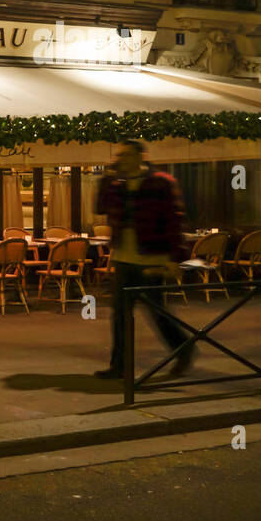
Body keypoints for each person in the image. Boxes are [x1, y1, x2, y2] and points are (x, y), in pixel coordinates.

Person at [93, 140, 194, 378]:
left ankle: (184, 348)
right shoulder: (117, 183)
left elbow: (173, 220)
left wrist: (174, 258)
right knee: (119, 314)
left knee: (156, 311)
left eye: (126, 155)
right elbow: (99, 207)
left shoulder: (161, 182)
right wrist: (107, 178)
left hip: (152, 257)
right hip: (123, 257)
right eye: (118, 156)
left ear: (141, 156)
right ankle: (119, 366)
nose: (121, 160)